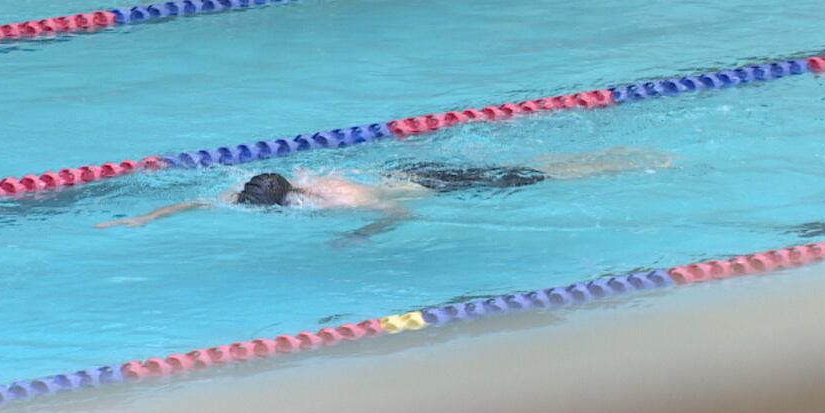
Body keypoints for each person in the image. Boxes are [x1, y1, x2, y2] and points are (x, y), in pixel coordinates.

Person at [95, 148, 672, 239]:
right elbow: (198, 202)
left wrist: (361, 237)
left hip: (432, 186)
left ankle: (617, 165)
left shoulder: (340, 196)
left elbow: (395, 211)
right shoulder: (252, 189)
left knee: (538, 175)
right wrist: (144, 219)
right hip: (404, 167)